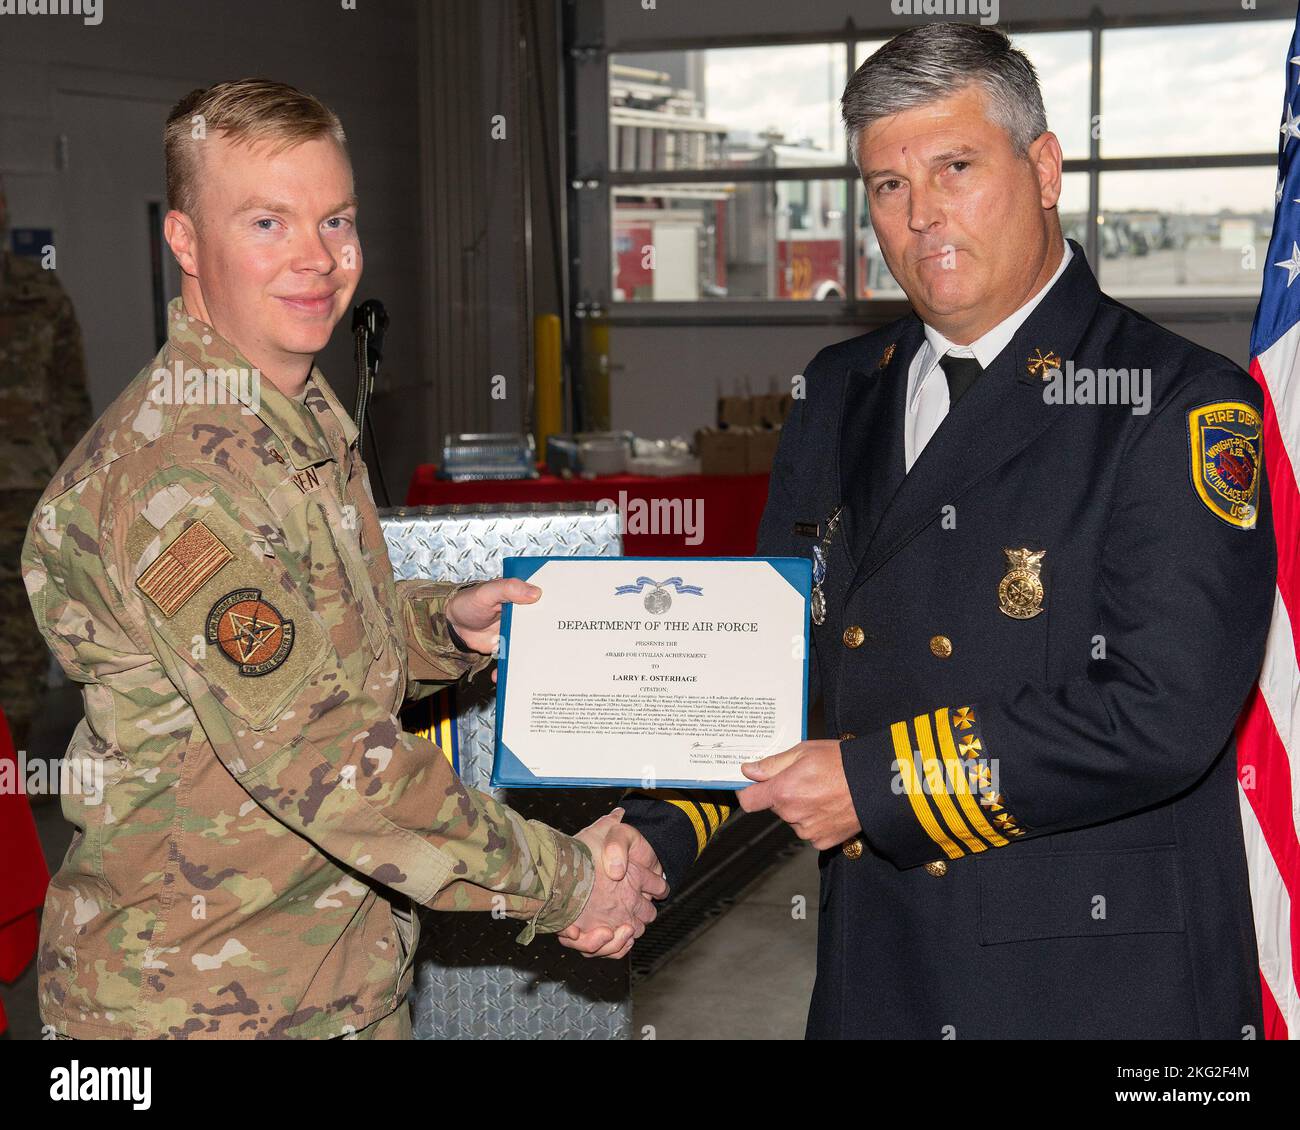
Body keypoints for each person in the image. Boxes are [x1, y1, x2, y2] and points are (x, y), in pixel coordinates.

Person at [614, 23, 1276, 1039]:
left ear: (1044, 169)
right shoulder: (838, 390)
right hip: (880, 961)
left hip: (1085, 981)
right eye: (888, 184)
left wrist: (876, 783)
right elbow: (771, 662)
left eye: (954, 168)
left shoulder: (1174, 399)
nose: (921, 213)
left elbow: (1162, 712)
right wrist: (657, 833)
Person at [21, 78, 664, 1040]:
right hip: (196, 1004)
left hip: (330, 978)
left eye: (336, 220)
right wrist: (567, 880)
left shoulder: (295, 418)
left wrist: (443, 624)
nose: (317, 259)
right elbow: (322, 757)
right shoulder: (177, 479)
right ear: (185, 242)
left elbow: (314, 641)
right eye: (267, 223)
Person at [0, 177, 92, 757]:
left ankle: (11, 762)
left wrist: (72, 487)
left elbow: (70, 396)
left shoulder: (40, 290)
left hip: (24, 487)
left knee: (18, 638)